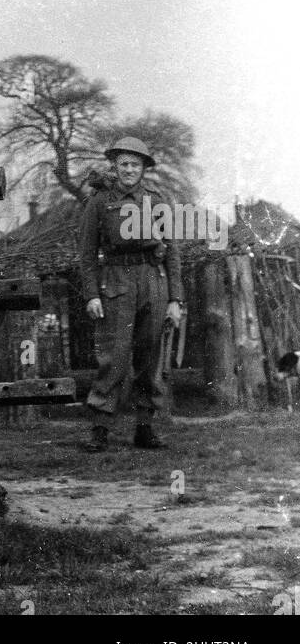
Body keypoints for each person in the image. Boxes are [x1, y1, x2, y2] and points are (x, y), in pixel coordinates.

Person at [79, 136, 182, 452]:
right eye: (123, 163)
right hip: (116, 281)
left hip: (153, 280)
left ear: (144, 169)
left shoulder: (157, 200)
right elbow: (86, 252)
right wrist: (91, 295)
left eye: (134, 164)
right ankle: (99, 429)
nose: (128, 169)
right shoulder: (99, 201)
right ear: (115, 166)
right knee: (114, 355)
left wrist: (176, 299)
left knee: (151, 355)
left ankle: (144, 428)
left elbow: (173, 251)